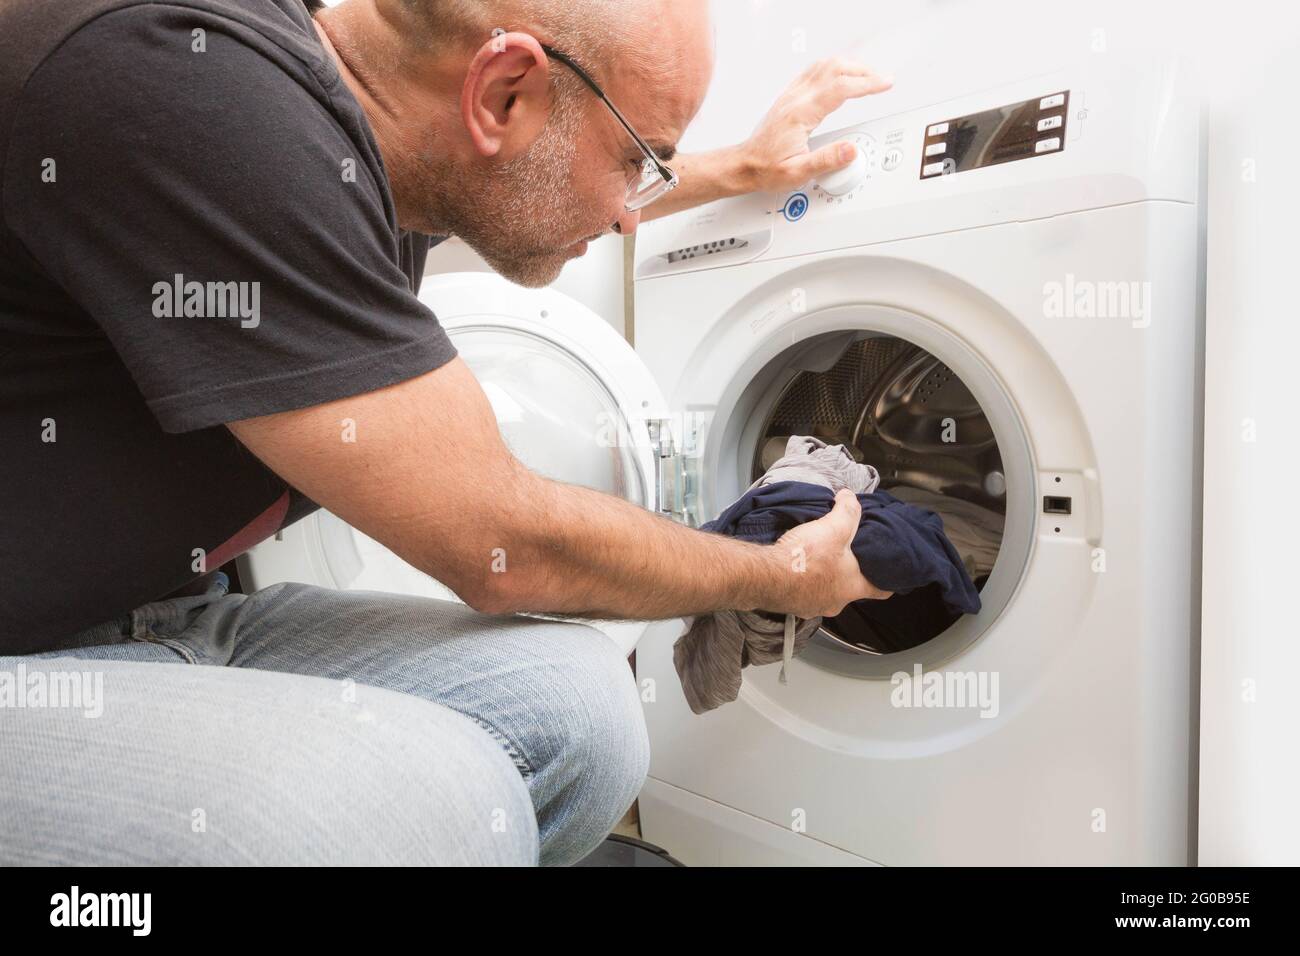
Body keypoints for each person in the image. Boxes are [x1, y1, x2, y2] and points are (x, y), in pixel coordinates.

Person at [0, 0, 892, 865]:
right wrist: (778, 576)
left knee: (583, 716)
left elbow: (543, 187)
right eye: (636, 161)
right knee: (454, 804)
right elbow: (502, 544)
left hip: (156, 617)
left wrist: (738, 169)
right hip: (29, 657)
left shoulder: (364, 127)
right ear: (502, 92)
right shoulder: (190, 91)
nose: (630, 209)